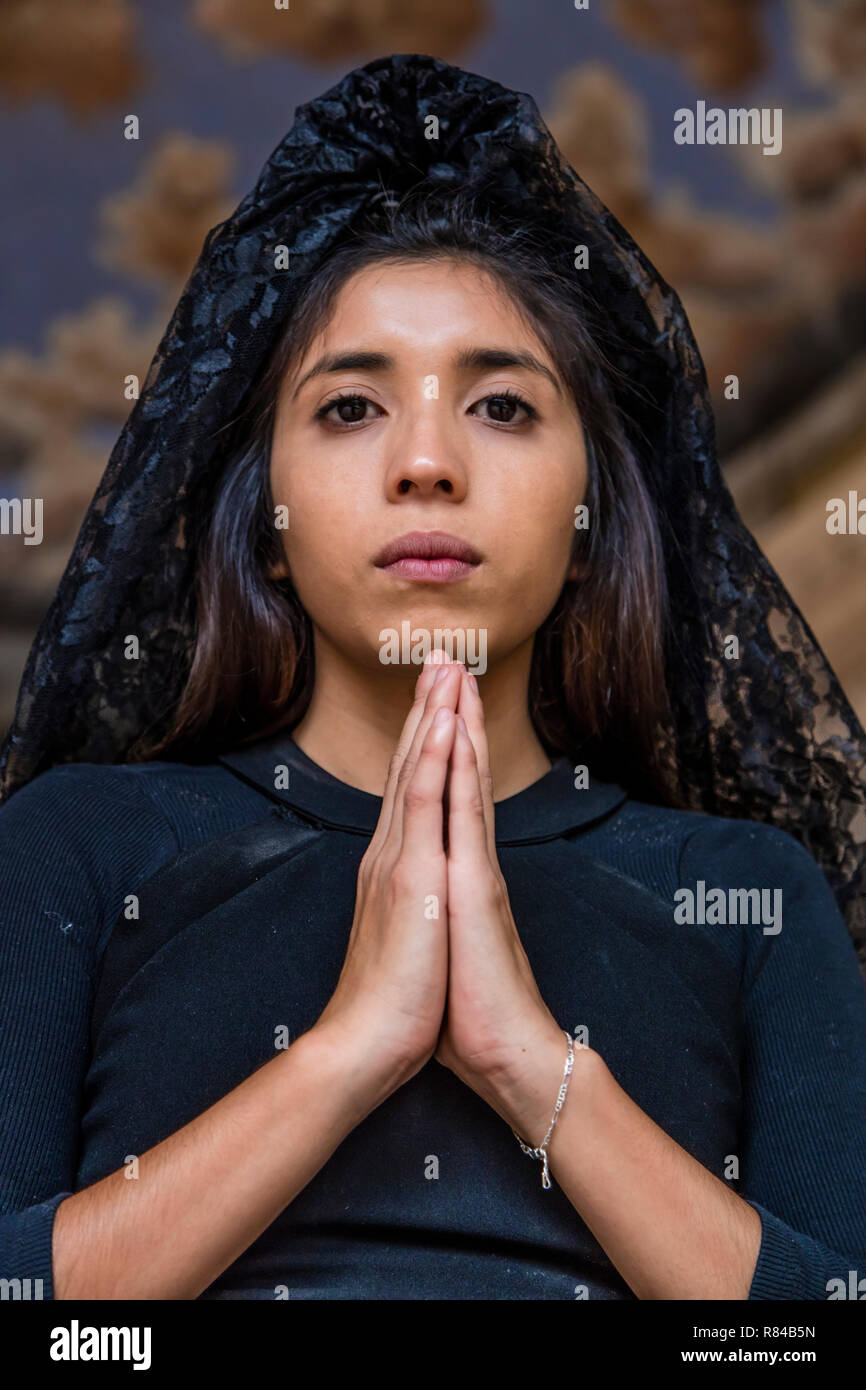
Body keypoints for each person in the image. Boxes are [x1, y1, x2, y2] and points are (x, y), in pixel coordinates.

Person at [1, 54, 865, 1302]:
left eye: (501, 406)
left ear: (589, 523)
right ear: (266, 526)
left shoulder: (743, 896)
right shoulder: (80, 848)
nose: (424, 462)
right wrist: (354, 1046)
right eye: (349, 408)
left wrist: (527, 1062)